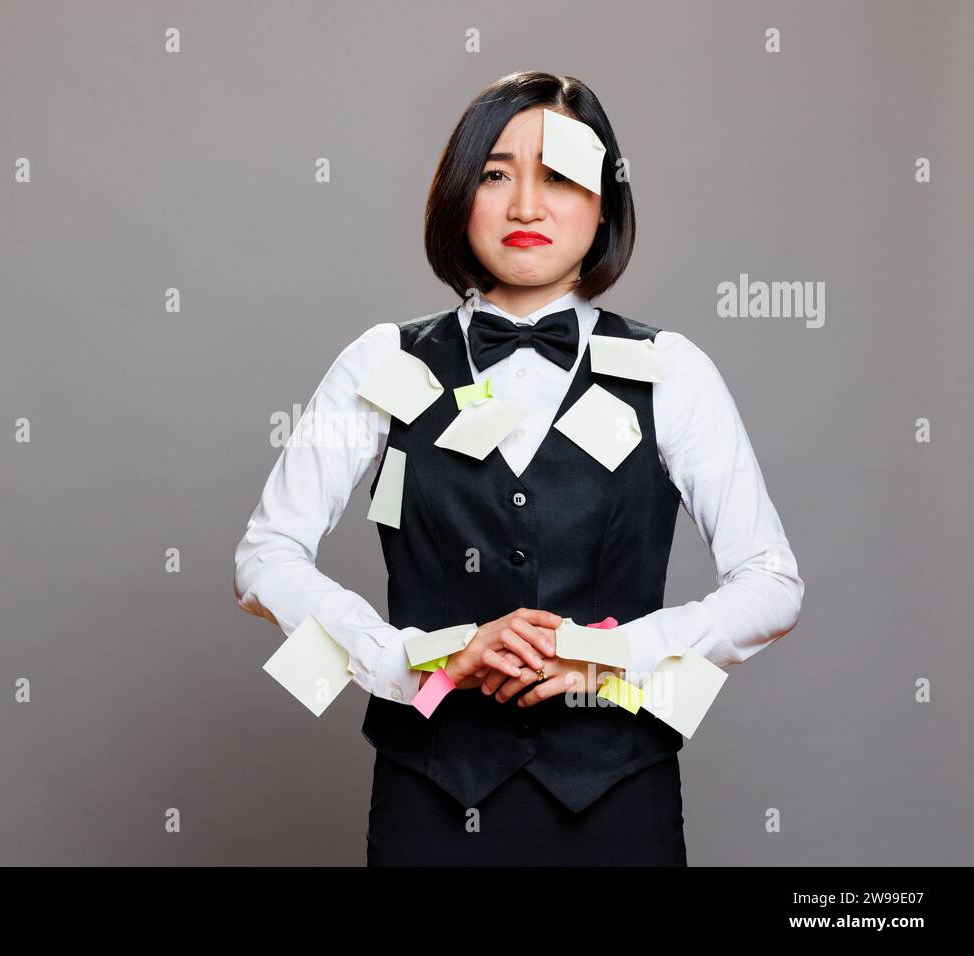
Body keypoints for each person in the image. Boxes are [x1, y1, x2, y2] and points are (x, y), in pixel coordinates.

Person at [233, 71, 803, 866]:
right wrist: (416, 659)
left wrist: (614, 658)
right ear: (457, 194)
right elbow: (263, 561)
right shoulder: (382, 359)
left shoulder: (671, 369)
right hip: (428, 800)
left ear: (603, 203)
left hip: (619, 799)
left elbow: (773, 583)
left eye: (561, 177)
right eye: (496, 174)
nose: (526, 206)